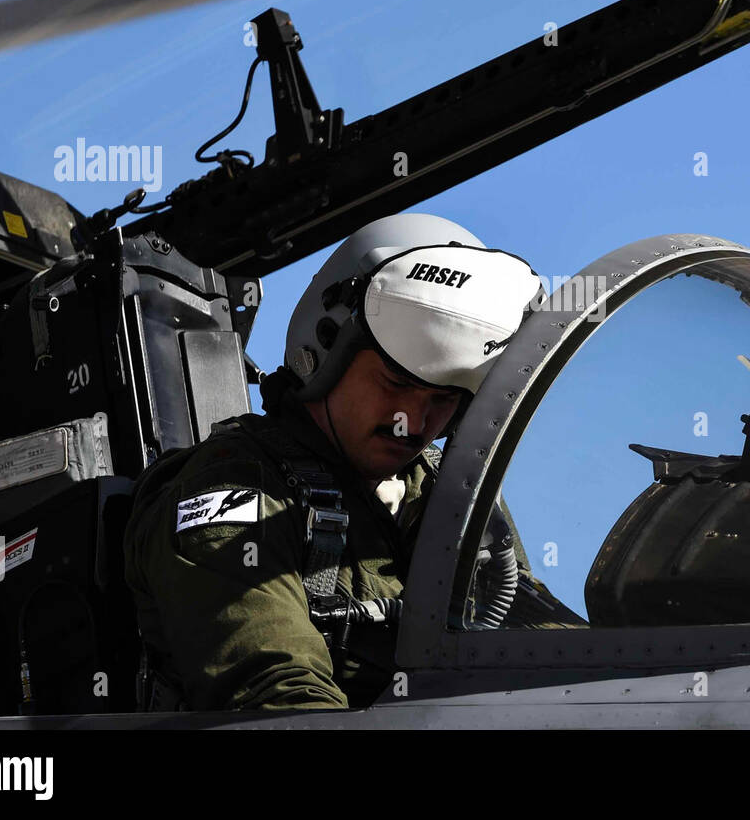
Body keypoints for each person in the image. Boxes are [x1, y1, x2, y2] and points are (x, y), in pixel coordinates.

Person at [123, 213, 580, 712]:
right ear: (326, 353)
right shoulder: (235, 486)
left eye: (444, 398)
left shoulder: (452, 493)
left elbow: (553, 651)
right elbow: (278, 696)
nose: (414, 419)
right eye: (395, 383)